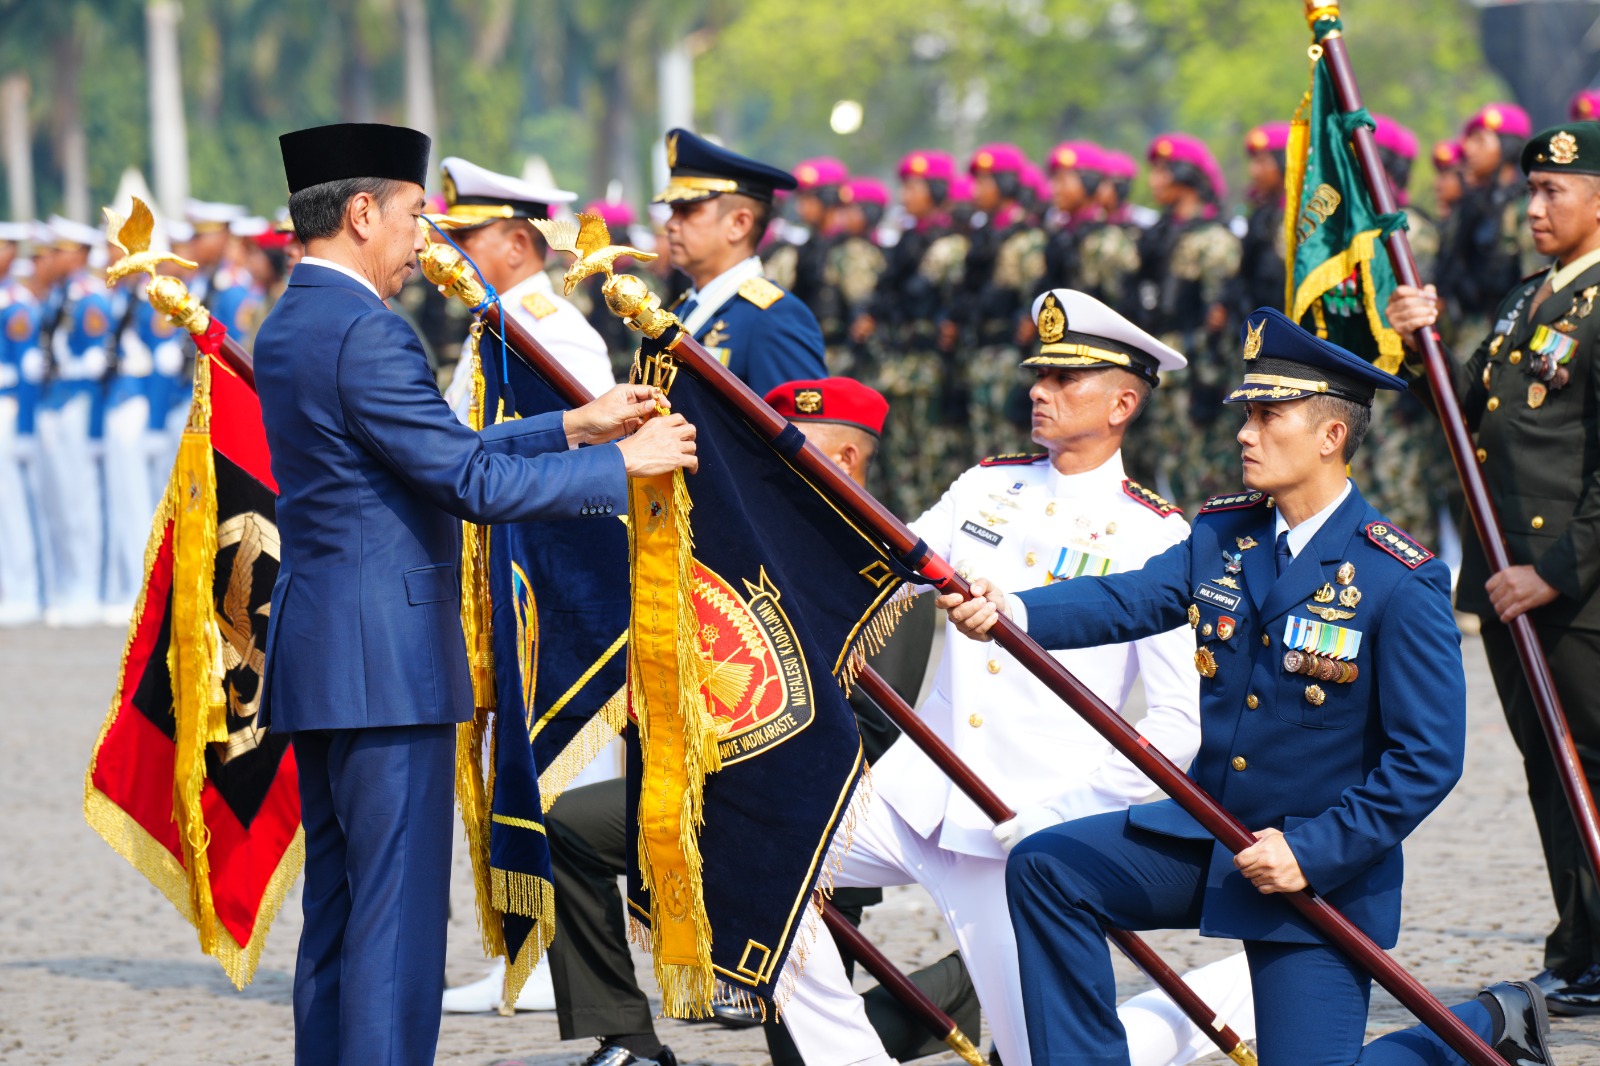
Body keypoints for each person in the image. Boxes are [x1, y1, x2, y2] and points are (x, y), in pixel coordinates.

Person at [945, 306, 1554, 1066]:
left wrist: (1313, 852)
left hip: (1314, 868)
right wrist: (1016, 608)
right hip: (1210, 830)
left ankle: (1481, 1028)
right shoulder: (1224, 532)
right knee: (1049, 867)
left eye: (1269, 416)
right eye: (1246, 414)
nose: (1244, 432)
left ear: (1332, 436)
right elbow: (1131, 597)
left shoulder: (1398, 577)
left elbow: (1427, 759)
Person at [255, 121, 699, 1066]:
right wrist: (622, 465)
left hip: (329, 652)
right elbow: (466, 486)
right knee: (398, 921)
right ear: (364, 210)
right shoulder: (369, 330)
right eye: (416, 215)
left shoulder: (294, 316)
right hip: (388, 664)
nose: (425, 237)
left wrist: (569, 429)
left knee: (340, 910)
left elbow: (424, 461)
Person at [781, 290, 1255, 1066]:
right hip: (914, 793)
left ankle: (1240, 994)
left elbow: (1177, 723)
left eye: (1067, 380)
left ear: (1122, 404)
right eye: (1041, 374)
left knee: (1055, 1055)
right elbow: (880, 576)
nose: (1039, 390)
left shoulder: (1157, 535)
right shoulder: (985, 485)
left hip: (1022, 826)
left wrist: (1069, 815)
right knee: (756, 860)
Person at [530, 377, 973, 1066]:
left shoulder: (880, 570)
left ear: (847, 462)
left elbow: (873, 737)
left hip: (819, 819)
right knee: (567, 831)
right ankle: (626, 1040)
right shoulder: (759, 543)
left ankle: (963, 998)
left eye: (791, 451)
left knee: (808, 1050)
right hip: (716, 791)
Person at [1386, 120, 1600, 1017]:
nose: (1536, 205)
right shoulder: (1526, 299)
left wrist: (1550, 571)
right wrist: (1417, 339)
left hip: (1576, 590)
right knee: (1552, 771)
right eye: (1531, 190)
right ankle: (1582, 949)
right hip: (1512, 582)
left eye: (1556, 190)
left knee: (1589, 765)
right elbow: (1465, 410)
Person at [432, 154, 615, 419]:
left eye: (465, 238)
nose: (451, 250)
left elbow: (601, 440)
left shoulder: (553, 329)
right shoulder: (496, 320)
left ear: (517, 247)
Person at [651, 128, 827, 398]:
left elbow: (804, 435)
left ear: (739, 223)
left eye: (687, 211)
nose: (670, 224)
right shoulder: (684, 308)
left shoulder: (775, 318)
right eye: (672, 210)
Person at [857, 150, 968, 520]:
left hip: (930, 368)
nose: (905, 195)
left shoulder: (952, 244)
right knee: (900, 459)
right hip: (901, 364)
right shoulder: (907, 240)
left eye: (914, 187)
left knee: (929, 460)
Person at [1129, 133, 1239, 509]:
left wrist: (1210, 386)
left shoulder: (1213, 239)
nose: (1154, 180)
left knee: (1205, 486)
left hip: (1195, 381)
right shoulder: (1159, 234)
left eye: (1162, 171)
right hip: (1163, 376)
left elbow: (1219, 324)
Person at [33, 216, 112, 627]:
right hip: (58, 402)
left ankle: (86, 588)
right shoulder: (63, 295)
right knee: (59, 499)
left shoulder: (90, 298)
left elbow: (97, 359)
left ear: (81, 254)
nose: (53, 257)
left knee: (80, 501)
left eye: (62, 249)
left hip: (78, 404)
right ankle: (68, 587)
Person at [949, 143, 1047, 460]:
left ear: (1005, 185)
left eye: (985, 181)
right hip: (983, 352)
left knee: (1014, 448)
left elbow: (1034, 306)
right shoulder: (984, 235)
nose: (976, 190)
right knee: (985, 451)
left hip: (1011, 356)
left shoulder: (1026, 238)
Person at [1437, 104, 1534, 351]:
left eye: (1480, 140)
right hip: (1465, 334)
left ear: (1506, 146)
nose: (1468, 148)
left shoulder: (1525, 207)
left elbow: (1534, 287)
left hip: (1508, 336)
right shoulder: (1471, 208)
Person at [0, 221, 43, 624]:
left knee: (12, 503)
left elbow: (28, 371)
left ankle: (25, 588)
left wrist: (27, 428)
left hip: (9, 409)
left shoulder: (16, 303)